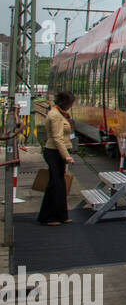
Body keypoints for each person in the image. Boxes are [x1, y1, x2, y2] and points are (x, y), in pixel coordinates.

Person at [38, 91, 76, 226]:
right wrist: (67, 156)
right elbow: (57, 138)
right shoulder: (55, 116)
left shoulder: (58, 114)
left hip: (56, 153)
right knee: (57, 185)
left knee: (56, 185)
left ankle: (59, 215)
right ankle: (50, 217)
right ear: (65, 103)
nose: (72, 106)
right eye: (71, 103)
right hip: (54, 153)